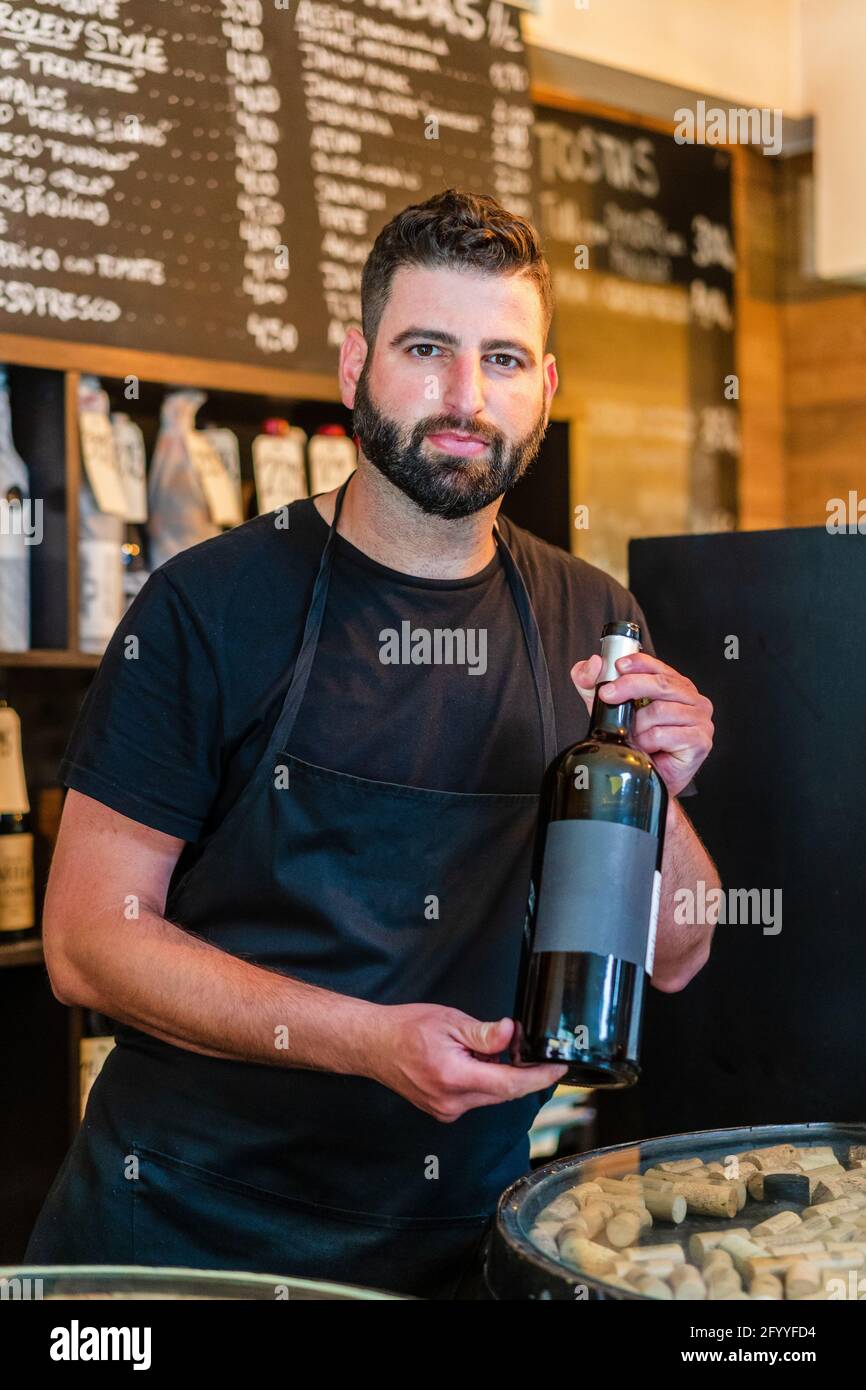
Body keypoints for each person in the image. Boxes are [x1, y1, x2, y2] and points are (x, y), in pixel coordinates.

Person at [27, 189, 719, 1299]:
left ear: (541, 390)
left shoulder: (591, 613)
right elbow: (85, 942)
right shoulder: (208, 605)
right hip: (180, 1241)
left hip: (453, 1241)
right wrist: (363, 1040)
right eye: (425, 349)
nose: (462, 396)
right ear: (354, 366)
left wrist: (661, 792)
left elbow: (675, 955)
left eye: (501, 358)